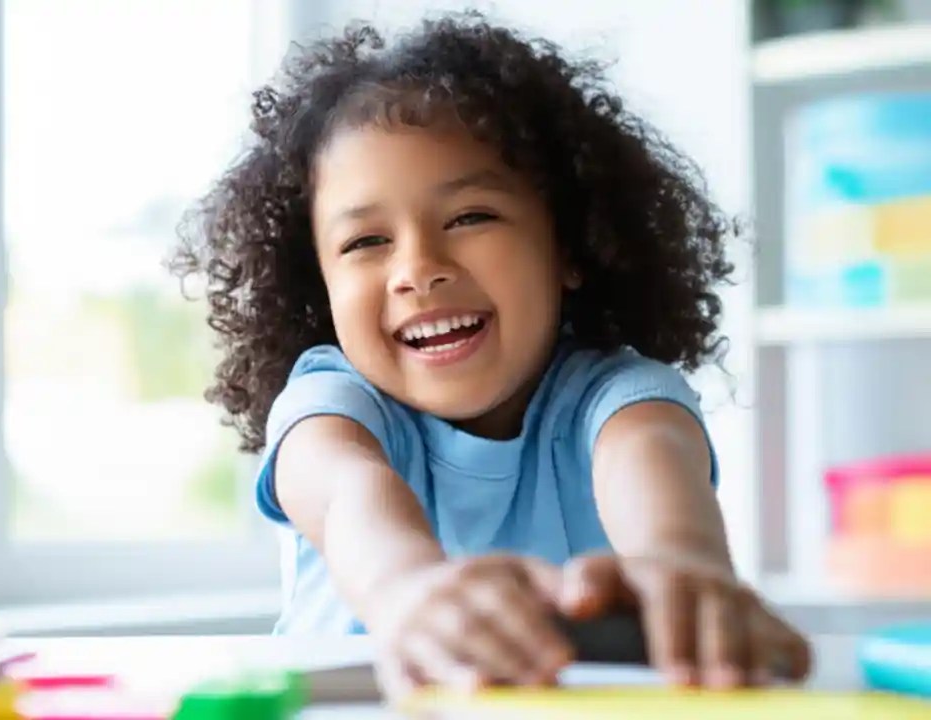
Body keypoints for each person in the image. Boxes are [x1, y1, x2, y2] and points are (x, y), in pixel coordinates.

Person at [170, 11, 811, 697]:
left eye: (470, 217)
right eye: (364, 243)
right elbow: (345, 492)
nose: (418, 269)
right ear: (316, 285)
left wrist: (682, 574)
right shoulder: (332, 404)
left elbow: (655, 475)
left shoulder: (618, 397)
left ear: (569, 245)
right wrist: (408, 590)